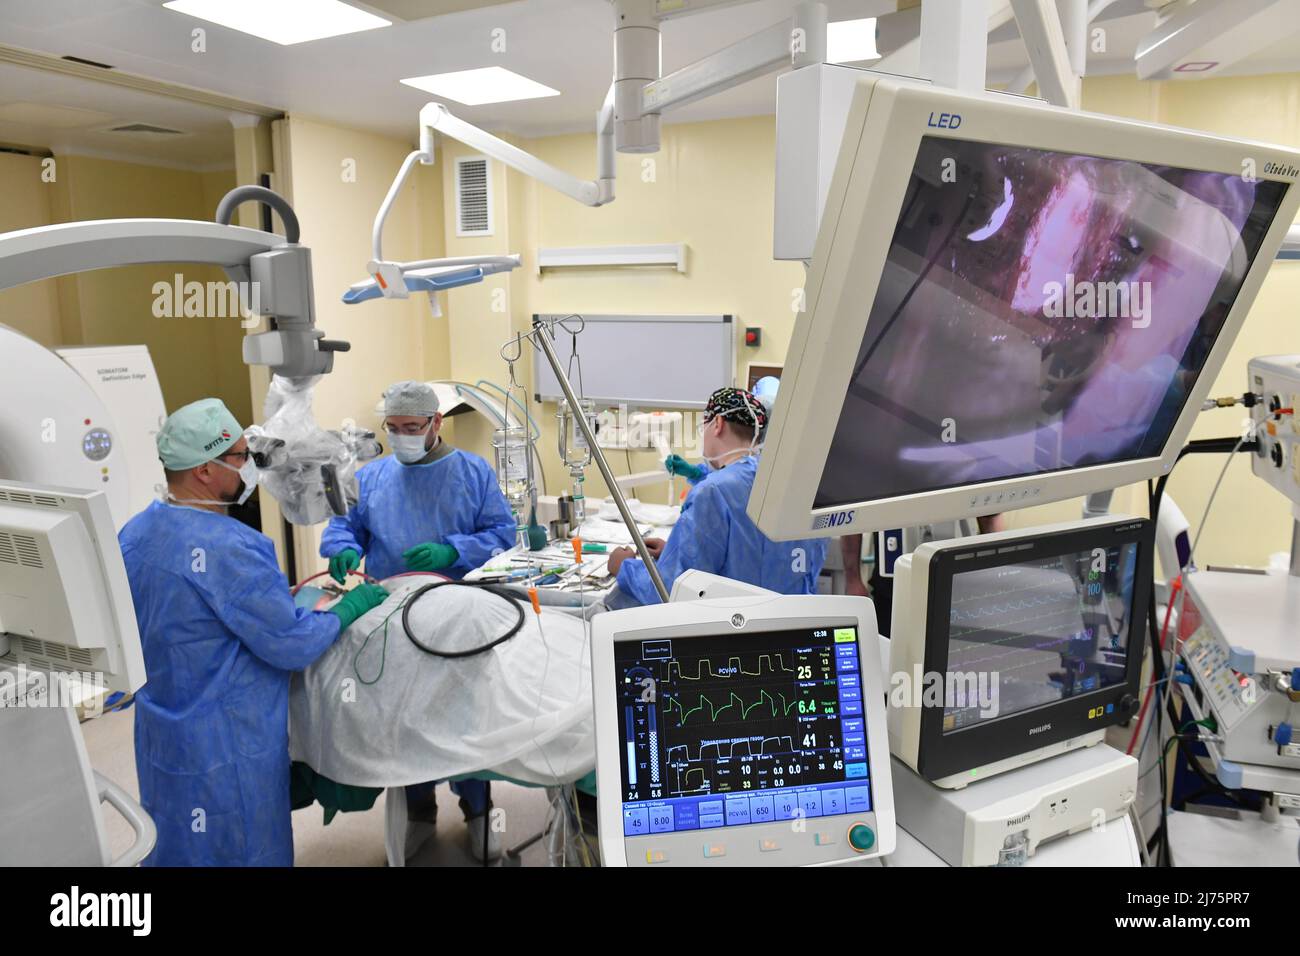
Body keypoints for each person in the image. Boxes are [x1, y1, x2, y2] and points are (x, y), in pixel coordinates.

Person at [119, 398, 388, 866]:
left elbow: (191, 610)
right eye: (241, 457)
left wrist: (268, 599)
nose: (248, 469)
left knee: (176, 837)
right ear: (204, 470)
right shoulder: (234, 546)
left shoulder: (135, 533)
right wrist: (347, 610)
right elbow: (291, 644)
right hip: (227, 739)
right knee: (239, 840)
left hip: (163, 730)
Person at [319, 380, 515, 861]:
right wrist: (342, 546)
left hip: (458, 616)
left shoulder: (472, 472)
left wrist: (456, 549)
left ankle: (477, 810)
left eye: (412, 427)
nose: (402, 435)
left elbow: (503, 534)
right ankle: (418, 812)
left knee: (464, 717)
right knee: (403, 720)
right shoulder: (373, 476)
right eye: (393, 427)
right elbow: (345, 522)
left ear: (436, 423)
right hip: (393, 615)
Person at [606, 386, 828, 606]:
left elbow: (670, 591)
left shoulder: (713, 492)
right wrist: (676, 550)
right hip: (794, 622)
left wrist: (624, 567)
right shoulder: (794, 483)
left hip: (736, 629)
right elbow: (761, 561)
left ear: (717, 424)